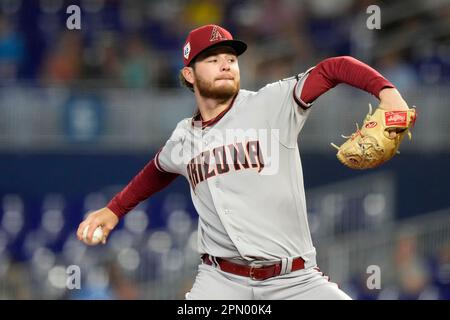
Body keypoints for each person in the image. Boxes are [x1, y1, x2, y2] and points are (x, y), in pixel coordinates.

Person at [77, 24, 411, 300]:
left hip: (294, 281)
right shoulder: (183, 138)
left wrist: (388, 93)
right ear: (189, 74)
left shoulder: (272, 103)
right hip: (221, 283)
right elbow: (158, 170)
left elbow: (333, 68)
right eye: (212, 59)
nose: (225, 63)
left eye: (230, 58)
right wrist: (115, 210)